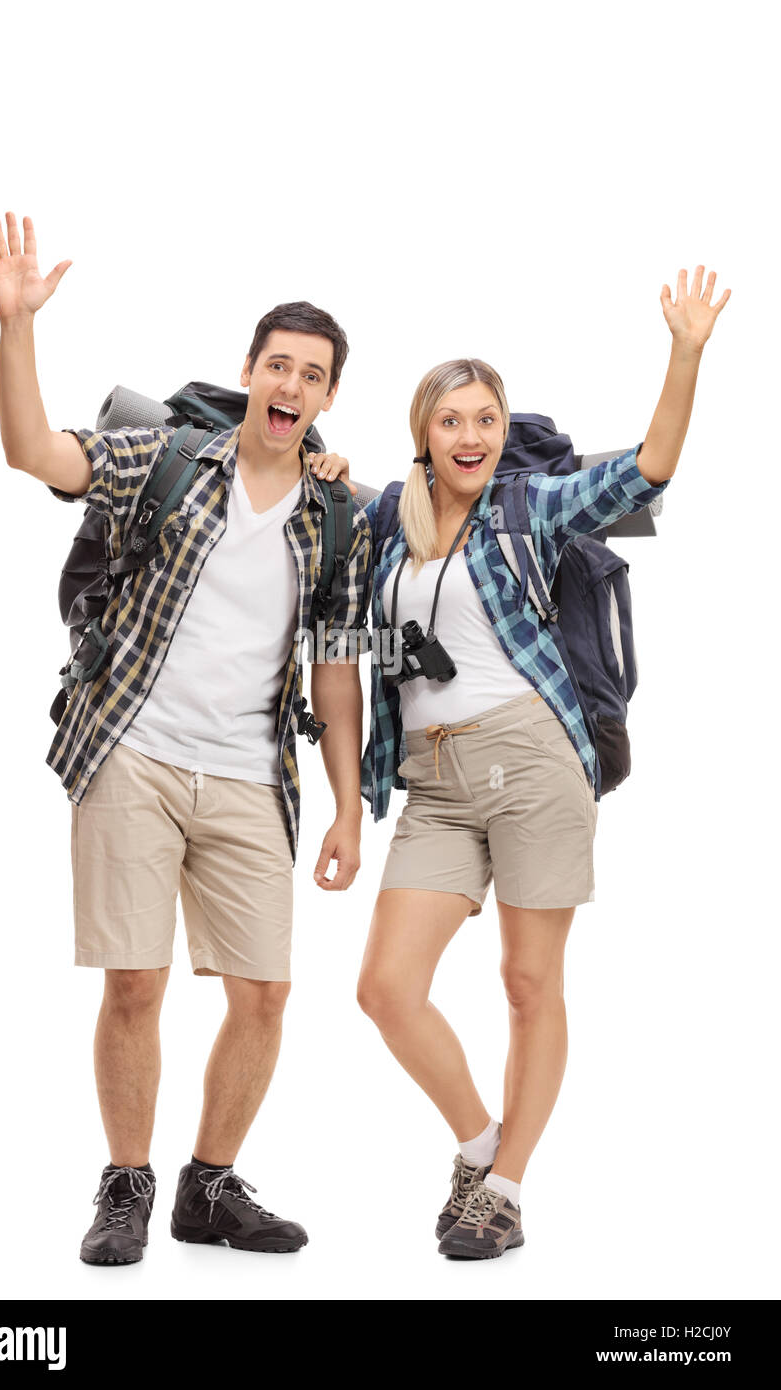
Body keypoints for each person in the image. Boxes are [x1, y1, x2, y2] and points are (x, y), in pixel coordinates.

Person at [0, 211, 370, 1263]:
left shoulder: (335, 522)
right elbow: (33, 452)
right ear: (249, 372)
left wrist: (343, 804)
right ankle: (125, 1184)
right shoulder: (168, 456)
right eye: (276, 364)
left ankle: (207, 1187)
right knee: (135, 982)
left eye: (313, 374)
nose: (290, 385)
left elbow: (337, 670)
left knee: (265, 993)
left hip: (251, 776)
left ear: (328, 397)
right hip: (133, 754)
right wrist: (16, 327)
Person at [329, 266, 729, 1259]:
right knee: (384, 986)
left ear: (502, 430)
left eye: (486, 419)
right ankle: (480, 1145)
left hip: (531, 760)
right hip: (431, 778)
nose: (470, 437)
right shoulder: (387, 524)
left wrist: (682, 354)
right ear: (422, 430)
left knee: (524, 979)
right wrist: (336, 480)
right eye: (451, 420)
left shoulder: (530, 507)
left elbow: (644, 470)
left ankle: (502, 1192)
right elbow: (349, 562)